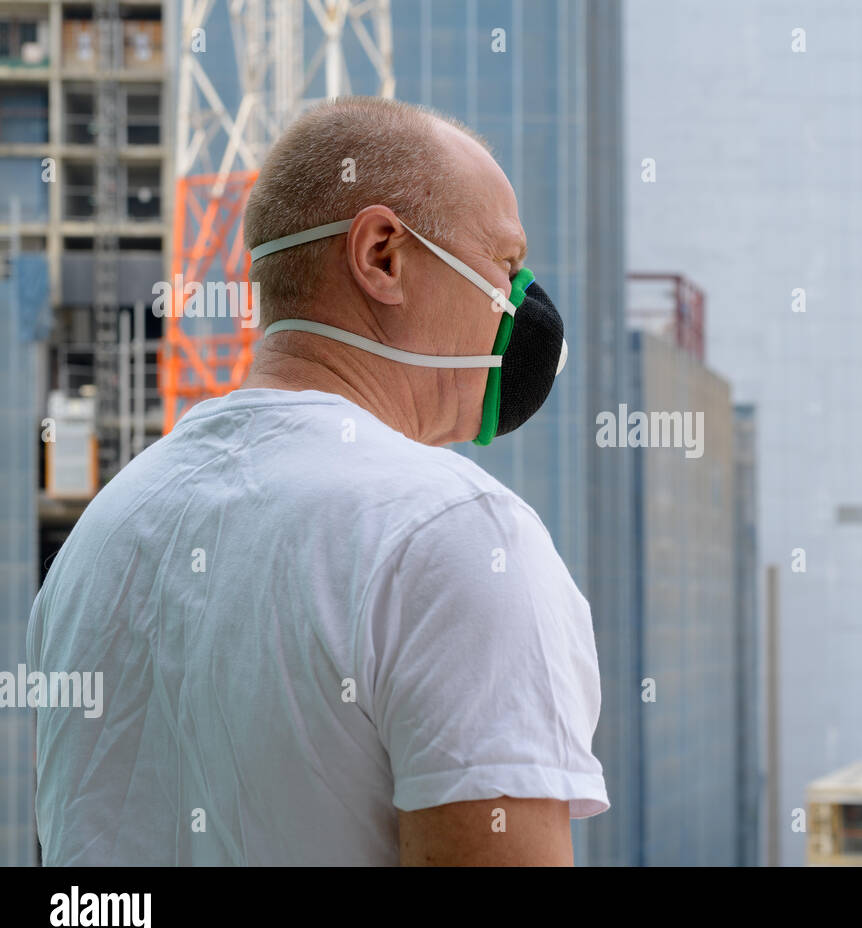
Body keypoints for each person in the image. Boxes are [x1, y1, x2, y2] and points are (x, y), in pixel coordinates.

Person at [27, 97, 608, 866]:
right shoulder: (456, 535)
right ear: (383, 257)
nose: (522, 301)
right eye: (504, 263)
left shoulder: (102, 533)